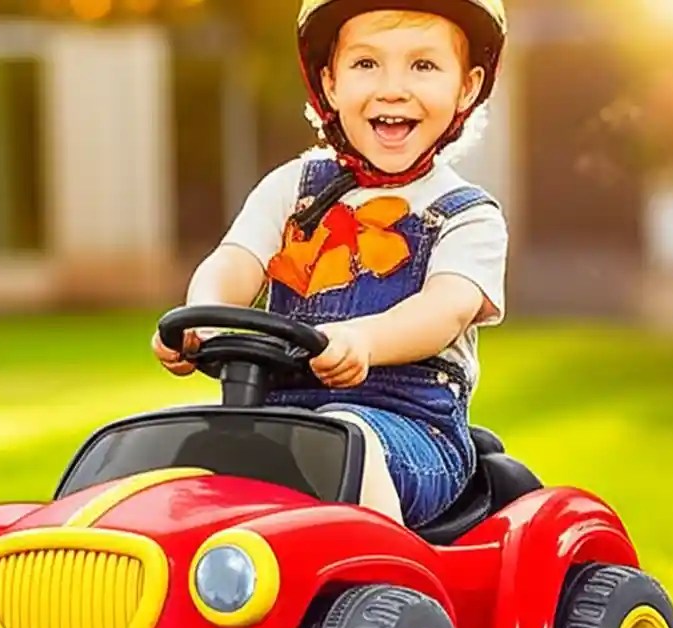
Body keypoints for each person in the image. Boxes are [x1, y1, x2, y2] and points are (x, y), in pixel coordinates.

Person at [152, 0, 509, 533]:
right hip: (279, 418)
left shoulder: (466, 214)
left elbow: (444, 309)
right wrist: (202, 312)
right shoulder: (291, 190)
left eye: (423, 65)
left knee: (344, 443)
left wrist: (363, 340)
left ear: (467, 87)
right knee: (170, 448)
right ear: (330, 83)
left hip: (411, 432)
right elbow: (235, 260)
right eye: (367, 64)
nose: (393, 87)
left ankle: (378, 592)